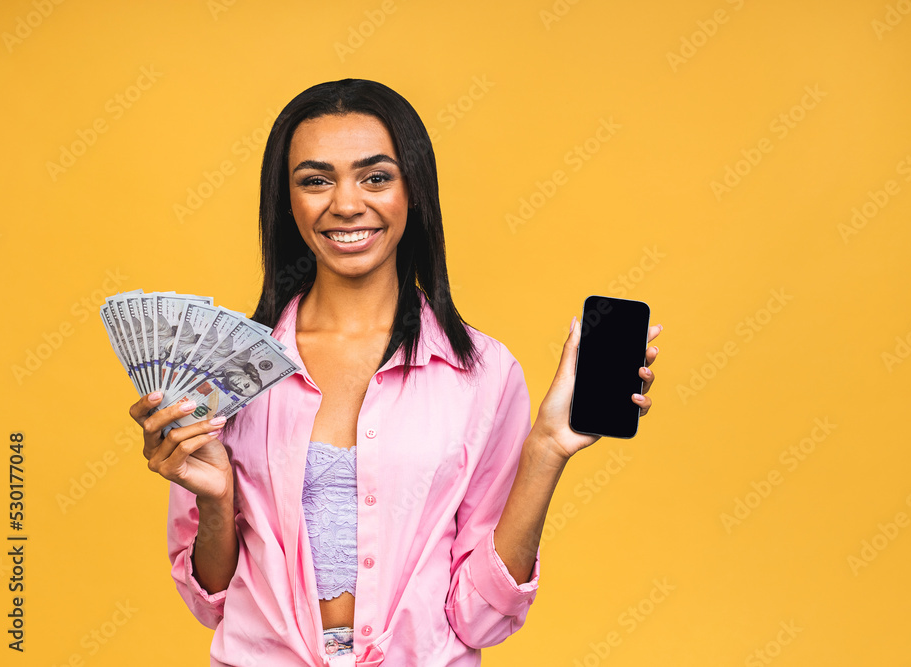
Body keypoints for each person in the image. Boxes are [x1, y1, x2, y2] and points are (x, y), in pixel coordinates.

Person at [129, 79, 661, 666]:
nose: (347, 203)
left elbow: (478, 618)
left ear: (415, 192)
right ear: (287, 201)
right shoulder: (224, 373)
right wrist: (215, 497)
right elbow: (211, 600)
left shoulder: (482, 375)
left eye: (376, 177)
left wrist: (546, 449)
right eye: (315, 180)